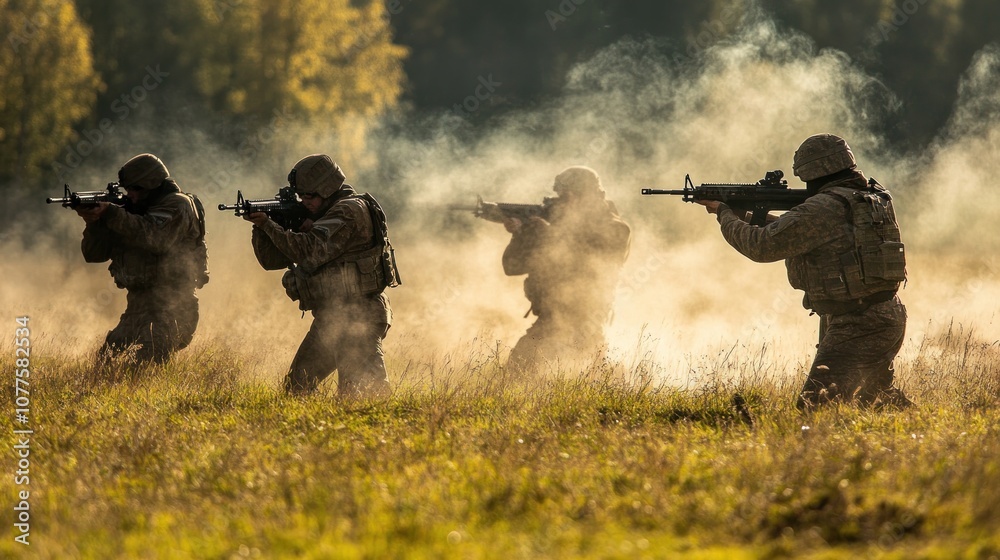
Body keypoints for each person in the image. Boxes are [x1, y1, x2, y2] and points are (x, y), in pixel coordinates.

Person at [696, 134, 912, 409]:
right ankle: (927, 432)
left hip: (859, 323)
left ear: (812, 171)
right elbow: (797, 232)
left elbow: (761, 247)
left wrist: (724, 214)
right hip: (879, 315)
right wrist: (744, 216)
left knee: (815, 407)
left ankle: (931, 437)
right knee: (871, 400)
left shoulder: (823, 207)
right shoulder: (867, 197)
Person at [247, 154, 399, 398]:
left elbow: (309, 252)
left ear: (327, 190)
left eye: (310, 196)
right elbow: (272, 262)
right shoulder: (324, 215)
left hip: (357, 317)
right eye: (301, 196)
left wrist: (270, 225)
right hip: (333, 318)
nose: (305, 201)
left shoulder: (350, 210)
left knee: (364, 396)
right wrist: (266, 227)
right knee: (298, 387)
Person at [77, 153, 209, 368]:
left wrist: (112, 213)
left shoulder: (178, 204)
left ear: (153, 184)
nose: (131, 195)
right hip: (137, 307)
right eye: (128, 189)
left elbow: (155, 239)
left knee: (143, 368)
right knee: (104, 365)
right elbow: (93, 255)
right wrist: (93, 222)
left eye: (136, 189)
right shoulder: (131, 214)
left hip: (172, 307)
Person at [501, 166, 631, 372]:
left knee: (584, 381)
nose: (561, 202)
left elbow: (583, 262)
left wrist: (546, 232)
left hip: (584, 322)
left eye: (566, 196)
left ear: (584, 196)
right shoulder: (559, 226)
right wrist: (520, 233)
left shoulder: (615, 228)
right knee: (517, 374)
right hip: (550, 319)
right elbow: (512, 266)